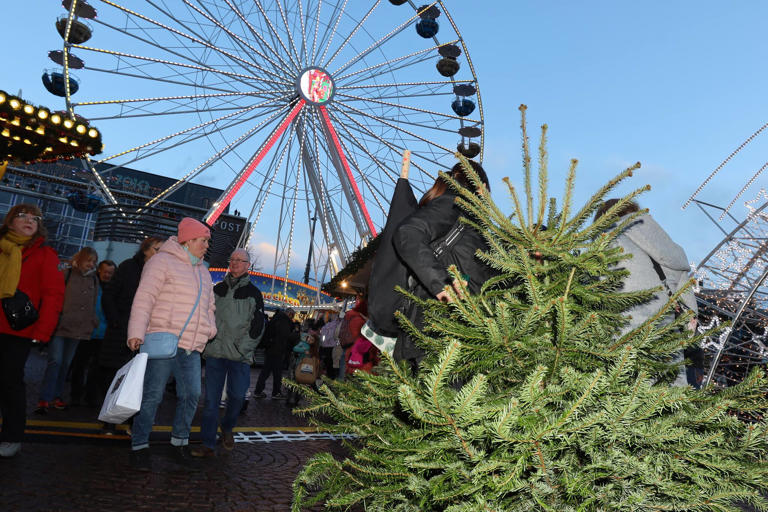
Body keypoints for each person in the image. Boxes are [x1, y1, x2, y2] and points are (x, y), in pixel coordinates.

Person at [126, 218, 216, 470]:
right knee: (153, 396)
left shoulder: (204, 271)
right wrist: (136, 331)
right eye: (202, 240)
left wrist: (210, 328)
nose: (206, 245)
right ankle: (140, 444)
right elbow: (145, 297)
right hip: (163, 340)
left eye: (207, 241)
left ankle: (180, 442)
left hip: (191, 345)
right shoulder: (161, 261)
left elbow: (209, 306)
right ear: (187, 240)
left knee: (192, 394)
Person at [391, 160, 494, 367]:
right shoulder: (453, 205)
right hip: (440, 333)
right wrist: (443, 285)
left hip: (457, 333)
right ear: (479, 186)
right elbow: (409, 233)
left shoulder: (467, 220)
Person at [594, 199, 698, 386]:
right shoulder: (667, 246)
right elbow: (689, 309)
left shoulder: (605, 240)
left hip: (620, 341)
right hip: (665, 340)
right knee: (670, 400)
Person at [0, 204, 65, 457]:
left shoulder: (45, 254)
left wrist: (44, 329)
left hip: (18, 329)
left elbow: (53, 295)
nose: (30, 220)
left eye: (35, 218)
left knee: (10, 382)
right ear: (10, 221)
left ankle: (12, 436)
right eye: (23, 216)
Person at [191, 249, 265, 458]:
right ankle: (207, 442)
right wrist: (207, 340)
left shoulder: (254, 293)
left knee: (237, 397)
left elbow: (258, 326)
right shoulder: (218, 289)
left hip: (239, 357)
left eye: (239, 260)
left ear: (247, 265)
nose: (234, 263)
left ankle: (228, 427)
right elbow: (205, 315)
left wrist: (243, 348)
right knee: (211, 401)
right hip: (215, 352)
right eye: (232, 259)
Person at [96, 237, 163, 433]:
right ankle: (110, 419)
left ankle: (133, 421)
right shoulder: (128, 267)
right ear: (145, 250)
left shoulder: (161, 272)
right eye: (156, 249)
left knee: (139, 379)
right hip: (121, 330)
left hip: (147, 333)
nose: (160, 253)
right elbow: (109, 295)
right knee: (116, 376)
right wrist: (115, 320)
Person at [37, 247, 99, 412]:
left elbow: (92, 303)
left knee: (65, 364)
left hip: (79, 328)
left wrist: (92, 320)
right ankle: (45, 397)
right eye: (88, 260)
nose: (91, 264)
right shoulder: (68, 273)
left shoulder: (93, 279)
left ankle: (56, 396)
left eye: (93, 261)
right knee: (55, 361)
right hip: (61, 325)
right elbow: (54, 295)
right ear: (80, 259)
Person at [69, 259, 115, 407]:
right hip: (87, 331)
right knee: (80, 365)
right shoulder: (91, 284)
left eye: (110, 272)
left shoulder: (114, 289)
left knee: (96, 368)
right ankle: (75, 395)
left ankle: (90, 396)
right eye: (105, 271)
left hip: (103, 334)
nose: (107, 275)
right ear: (99, 271)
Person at [253, 307, 298, 400]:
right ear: (289, 314)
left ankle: (258, 391)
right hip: (277, 350)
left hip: (270, 348)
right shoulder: (284, 321)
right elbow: (285, 336)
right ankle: (276, 392)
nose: (292, 318)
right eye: (292, 316)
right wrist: (295, 334)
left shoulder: (276, 318)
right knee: (277, 373)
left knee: (265, 371)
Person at [286, 331, 319, 407]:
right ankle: (294, 400)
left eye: (311, 340)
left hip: (302, 368)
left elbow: (295, 348)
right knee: (297, 384)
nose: (309, 340)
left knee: (296, 384)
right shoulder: (307, 345)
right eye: (309, 338)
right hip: (302, 369)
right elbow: (295, 348)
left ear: (314, 342)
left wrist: (304, 349)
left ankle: (292, 400)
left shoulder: (307, 346)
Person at [319, 314, 342, 379]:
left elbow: (322, 338)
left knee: (328, 364)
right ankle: (332, 378)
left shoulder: (326, 326)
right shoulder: (339, 325)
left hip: (326, 347)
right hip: (335, 347)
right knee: (334, 364)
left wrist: (323, 343)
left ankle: (329, 377)